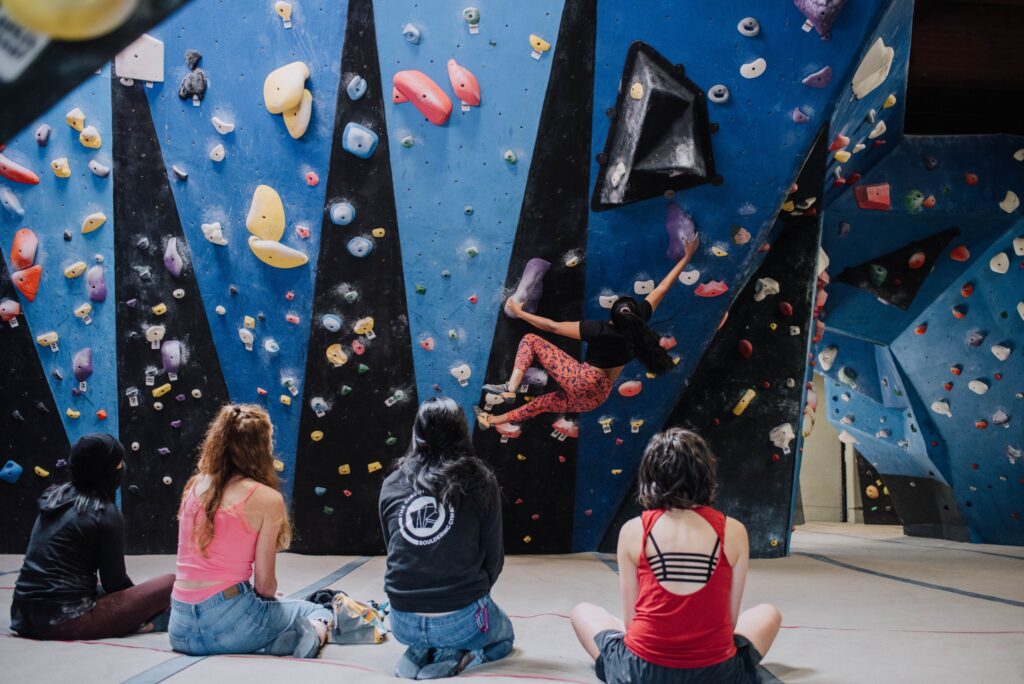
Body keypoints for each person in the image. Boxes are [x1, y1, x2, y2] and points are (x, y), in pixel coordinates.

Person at [571, 429, 782, 683]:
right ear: (705, 474)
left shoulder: (633, 530)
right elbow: (731, 620)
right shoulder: (734, 530)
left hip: (641, 673)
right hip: (717, 675)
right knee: (769, 613)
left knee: (583, 611)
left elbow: (629, 622)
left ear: (649, 476)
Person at [475, 238, 699, 433]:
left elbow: (552, 326)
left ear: (612, 316)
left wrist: (520, 313)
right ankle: (491, 419)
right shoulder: (638, 326)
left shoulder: (600, 330)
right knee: (542, 404)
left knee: (530, 340)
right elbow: (662, 289)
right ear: (636, 315)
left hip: (585, 383)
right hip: (595, 398)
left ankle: (510, 388)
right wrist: (686, 257)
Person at [169, 404, 332, 658]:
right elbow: (265, 587)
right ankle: (306, 634)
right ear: (260, 448)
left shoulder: (194, 485)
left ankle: (271, 641)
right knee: (318, 611)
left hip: (180, 628)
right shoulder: (266, 498)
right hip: (230, 623)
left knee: (263, 612)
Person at [380, 397, 513, 679]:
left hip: (401, 620)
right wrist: (469, 594)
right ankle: (460, 651)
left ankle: (420, 648)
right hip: (461, 619)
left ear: (417, 434)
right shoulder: (479, 478)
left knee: (439, 623)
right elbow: (494, 559)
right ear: (461, 432)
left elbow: (392, 547)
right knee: (505, 636)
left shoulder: (392, 482)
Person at [10, 433, 175, 640]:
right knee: (171, 582)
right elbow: (115, 583)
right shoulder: (104, 512)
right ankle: (145, 624)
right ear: (106, 471)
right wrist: (141, 606)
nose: (122, 467)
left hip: (22, 615)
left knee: (100, 590)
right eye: (118, 464)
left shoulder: (53, 496)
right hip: (64, 620)